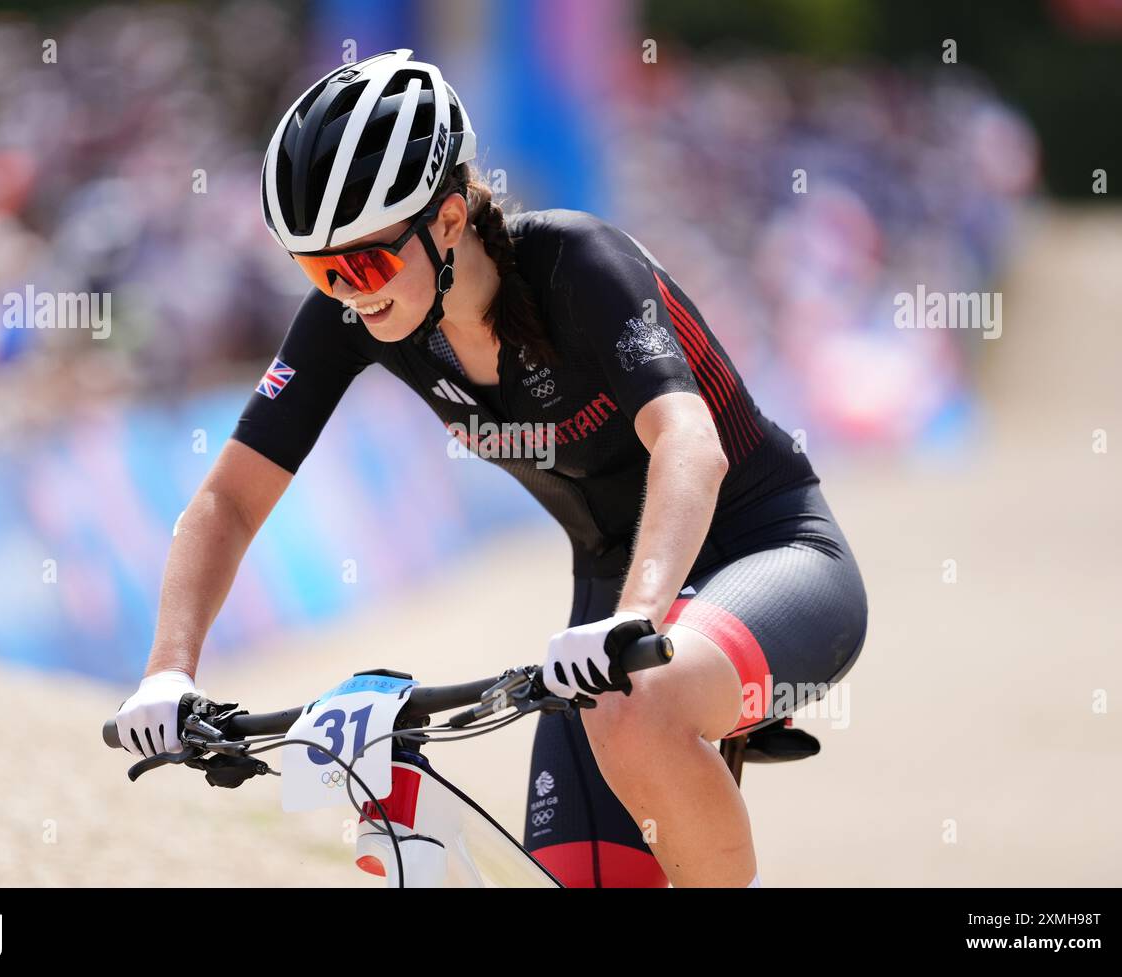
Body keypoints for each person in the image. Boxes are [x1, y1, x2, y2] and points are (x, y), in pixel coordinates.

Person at [113, 49, 867, 888]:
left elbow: (690, 444)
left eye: (361, 263)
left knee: (636, 709)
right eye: (318, 271)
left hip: (767, 553)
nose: (349, 294)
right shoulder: (355, 317)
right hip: (613, 601)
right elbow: (227, 502)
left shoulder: (579, 263)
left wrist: (642, 613)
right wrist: (169, 668)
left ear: (446, 219)